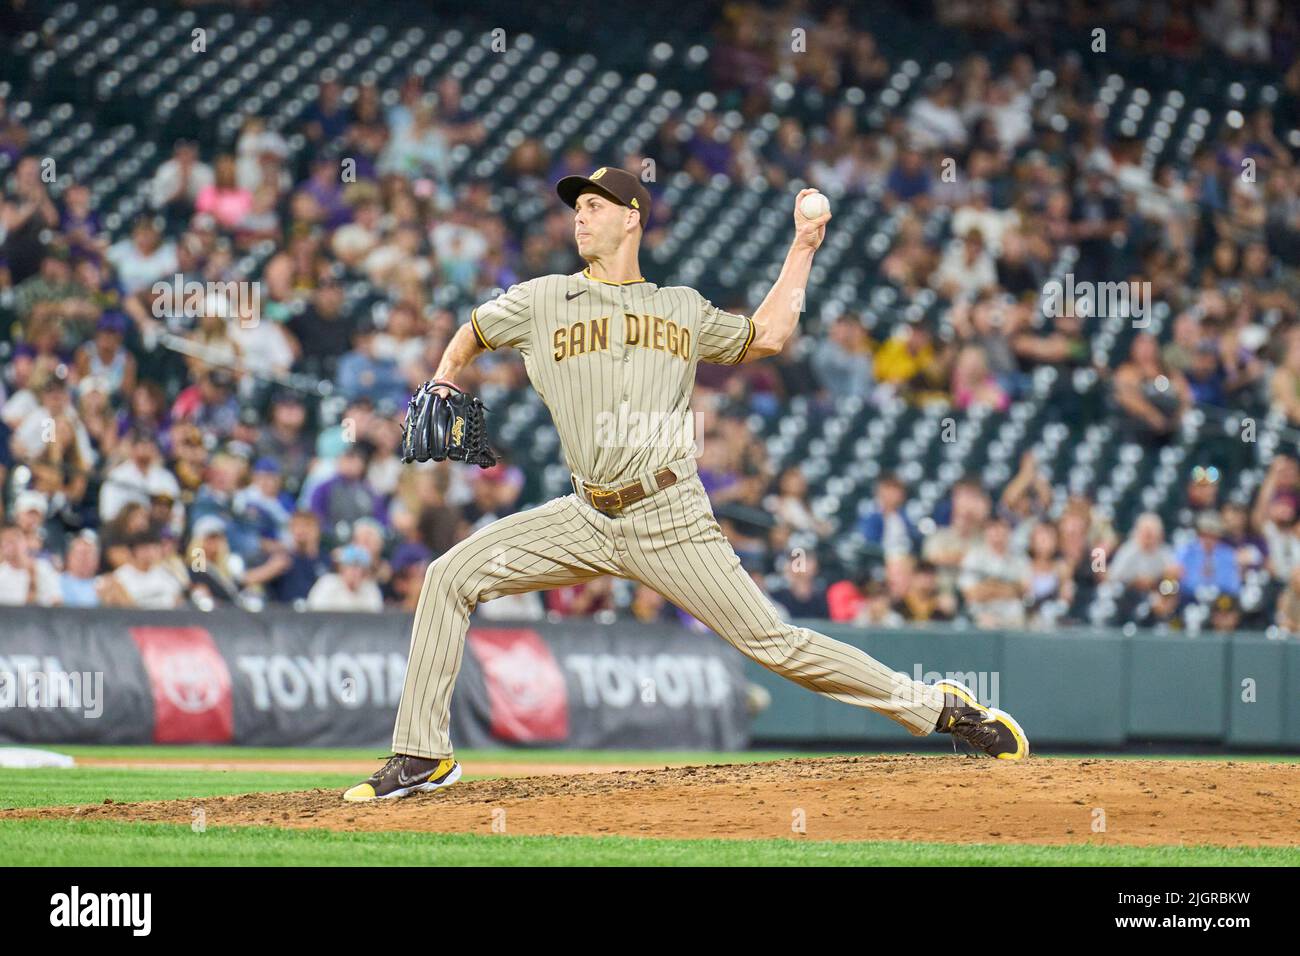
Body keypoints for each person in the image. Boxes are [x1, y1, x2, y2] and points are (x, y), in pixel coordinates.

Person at [345, 167, 1027, 802]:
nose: (578, 218)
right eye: (575, 209)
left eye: (592, 206)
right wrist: (442, 377)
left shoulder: (679, 307)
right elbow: (470, 332)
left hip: (670, 515)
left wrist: (804, 245)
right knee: (448, 577)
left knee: (775, 644)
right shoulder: (542, 298)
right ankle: (422, 753)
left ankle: (941, 708)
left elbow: (767, 335)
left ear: (631, 219)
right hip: (584, 514)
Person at [306, 544, 383, 612]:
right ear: (341, 568)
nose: (354, 571)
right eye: (350, 565)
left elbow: (376, 614)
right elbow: (314, 611)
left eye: (359, 567)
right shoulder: (327, 583)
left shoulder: (370, 589)